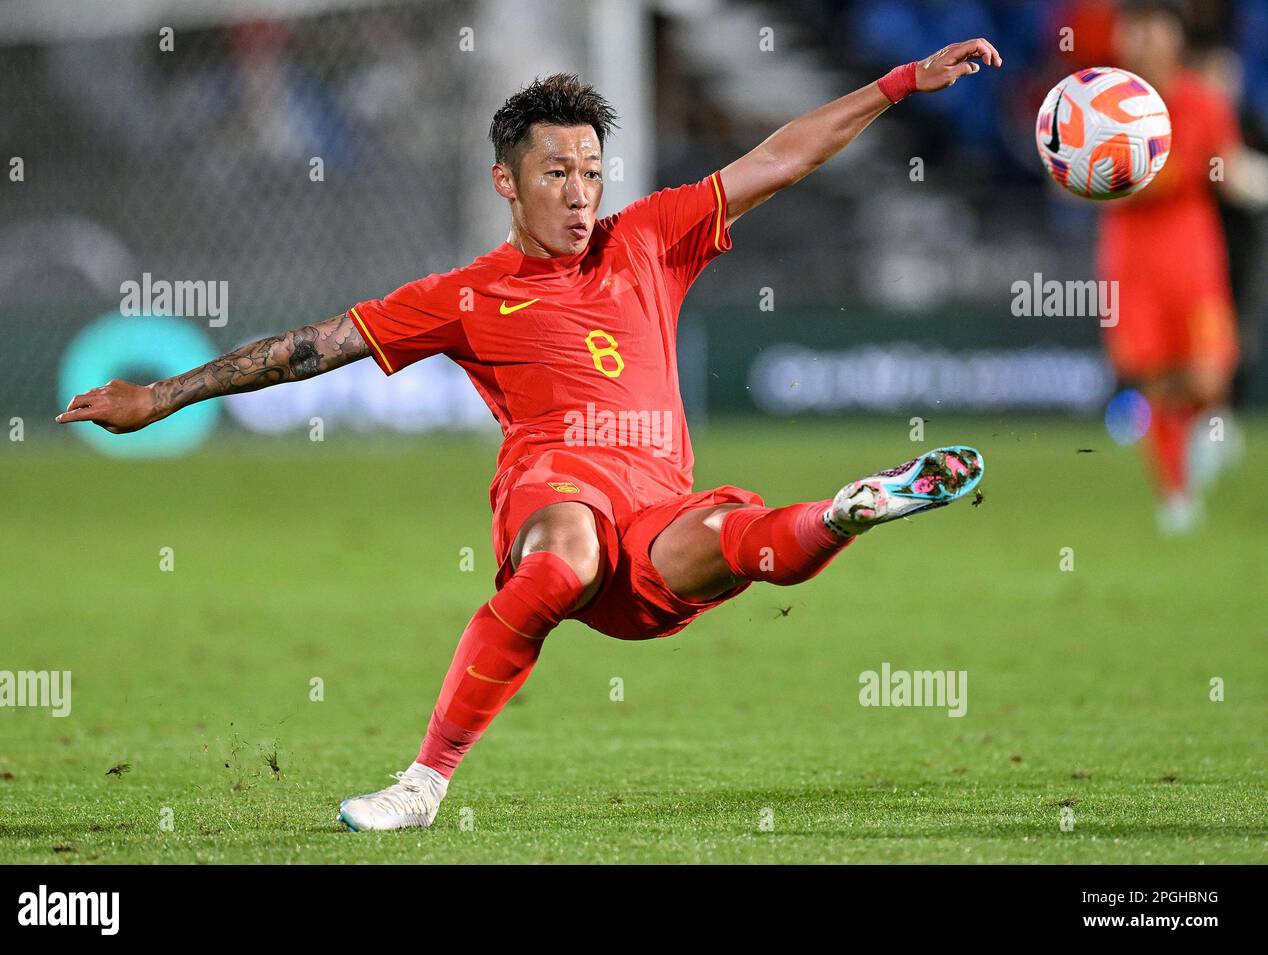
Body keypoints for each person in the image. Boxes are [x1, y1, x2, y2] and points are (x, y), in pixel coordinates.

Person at [56, 40, 999, 830]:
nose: (581, 193)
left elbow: (783, 156)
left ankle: (855, 507)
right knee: (561, 561)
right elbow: (313, 348)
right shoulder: (467, 296)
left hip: (658, 502)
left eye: (592, 172)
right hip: (554, 484)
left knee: (739, 545)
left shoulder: (650, 237)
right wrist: (166, 396)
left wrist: (896, 84)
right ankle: (423, 785)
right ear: (505, 181)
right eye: (557, 173)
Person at [1102, 0, 1253, 533]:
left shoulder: (1203, 99)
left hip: (1191, 248)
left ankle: (1211, 426)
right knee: (1157, 381)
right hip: (1131, 257)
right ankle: (1176, 494)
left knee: (1210, 371)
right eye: (1133, 29)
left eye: (1153, 28)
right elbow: (1071, 176)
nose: (1143, 40)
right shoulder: (1100, 103)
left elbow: (1228, 167)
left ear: (1175, 36)